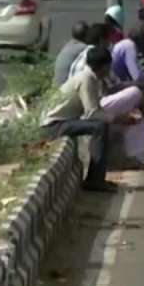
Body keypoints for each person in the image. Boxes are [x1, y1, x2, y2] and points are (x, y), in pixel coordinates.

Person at [41, 48, 129, 192]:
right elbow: (92, 114)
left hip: (63, 122)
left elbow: (96, 108)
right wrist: (118, 119)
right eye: (108, 67)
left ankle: (97, 177)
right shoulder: (86, 79)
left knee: (102, 125)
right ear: (104, 66)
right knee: (99, 127)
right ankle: (95, 179)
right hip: (54, 125)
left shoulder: (92, 78)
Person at [54, 21, 91, 86]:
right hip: (67, 87)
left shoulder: (67, 46)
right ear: (87, 35)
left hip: (58, 86)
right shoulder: (84, 48)